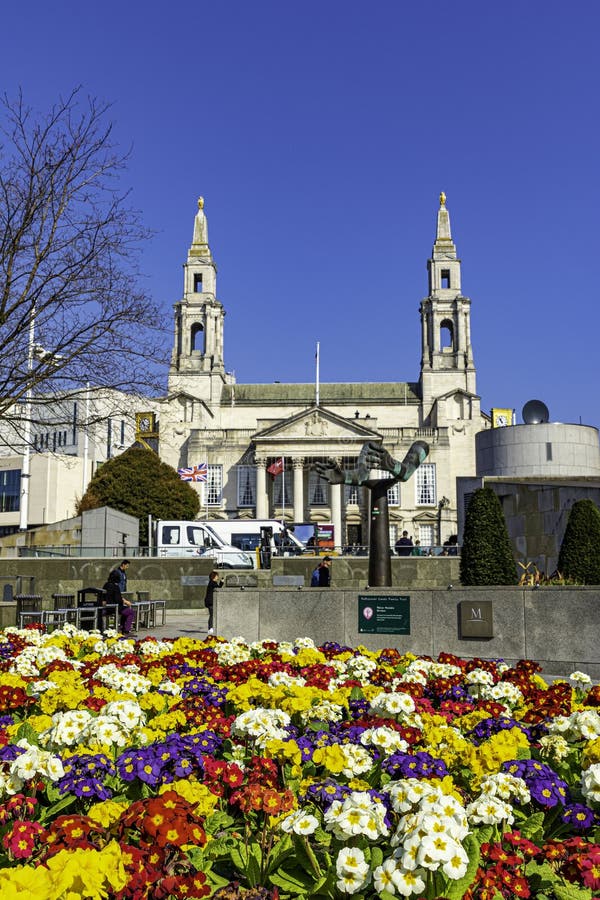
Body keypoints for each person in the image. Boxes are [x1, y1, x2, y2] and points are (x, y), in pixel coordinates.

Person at [102, 569, 135, 635]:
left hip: (106, 608)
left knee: (125, 611)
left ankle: (122, 628)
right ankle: (126, 630)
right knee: (130, 612)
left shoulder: (106, 585)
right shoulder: (115, 586)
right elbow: (118, 599)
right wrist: (125, 602)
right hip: (114, 608)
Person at [204, 570, 223, 634]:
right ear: (214, 577)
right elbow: (218, 588)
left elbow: (218, 588)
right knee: (212, 615)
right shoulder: (212, 583)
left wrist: (221, 583)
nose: (218, 577)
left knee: (212, 615)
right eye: (217, 576)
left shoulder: (211, 583)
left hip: (210, 602)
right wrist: (221, 583)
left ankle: (211, 627)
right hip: (211, 602)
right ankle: (210, 628)